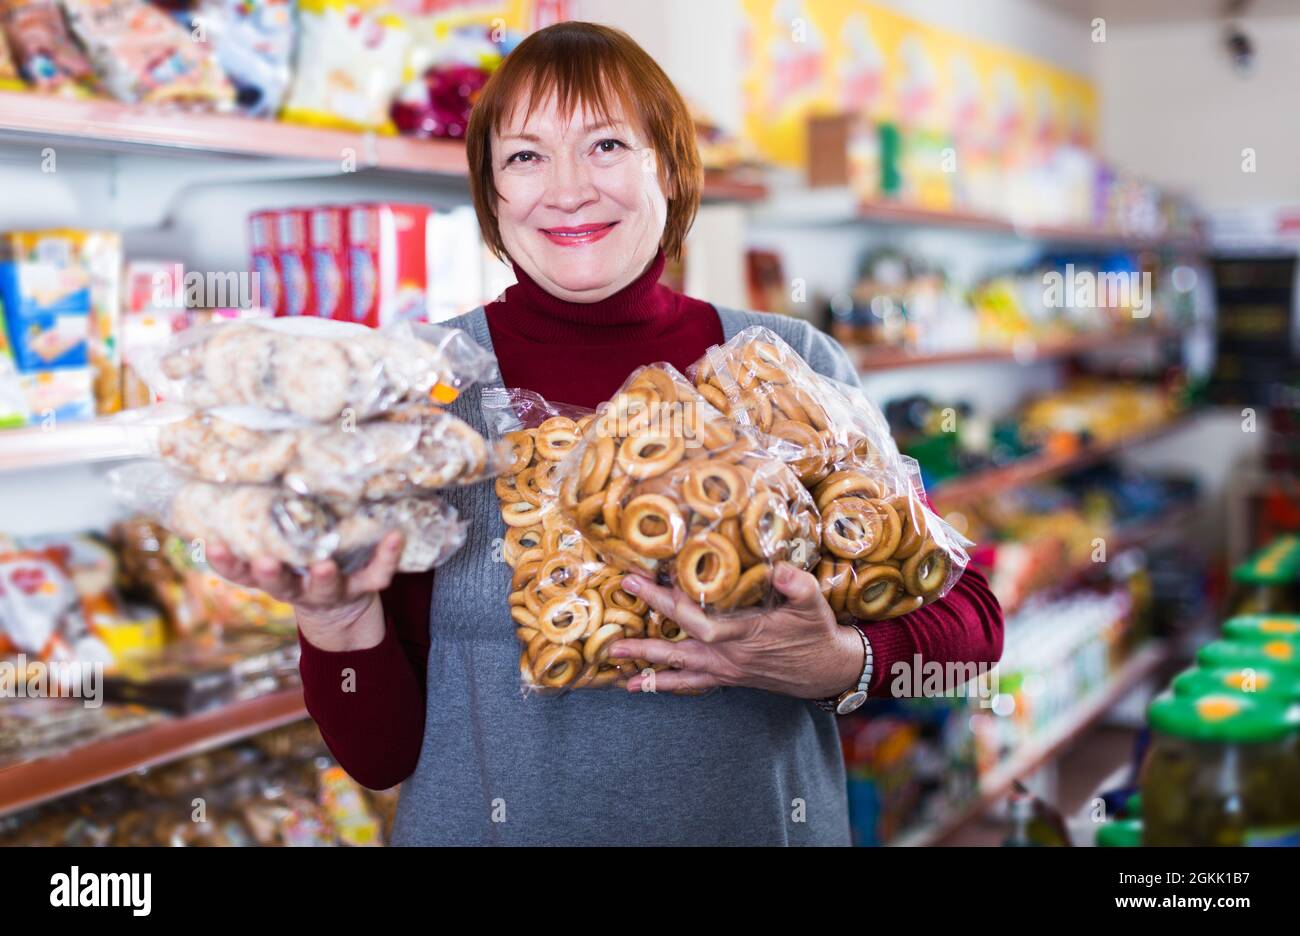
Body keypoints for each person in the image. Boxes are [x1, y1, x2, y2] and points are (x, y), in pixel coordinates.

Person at [209, 21, 1003, 846]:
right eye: (525, 156)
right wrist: (338, 625)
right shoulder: (419, 389)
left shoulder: (785, 366)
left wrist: (840, 661)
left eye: (606, 145)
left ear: (670, 166)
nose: (567, 190)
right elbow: (378, 758)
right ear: (492, 192)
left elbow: (973, 627)